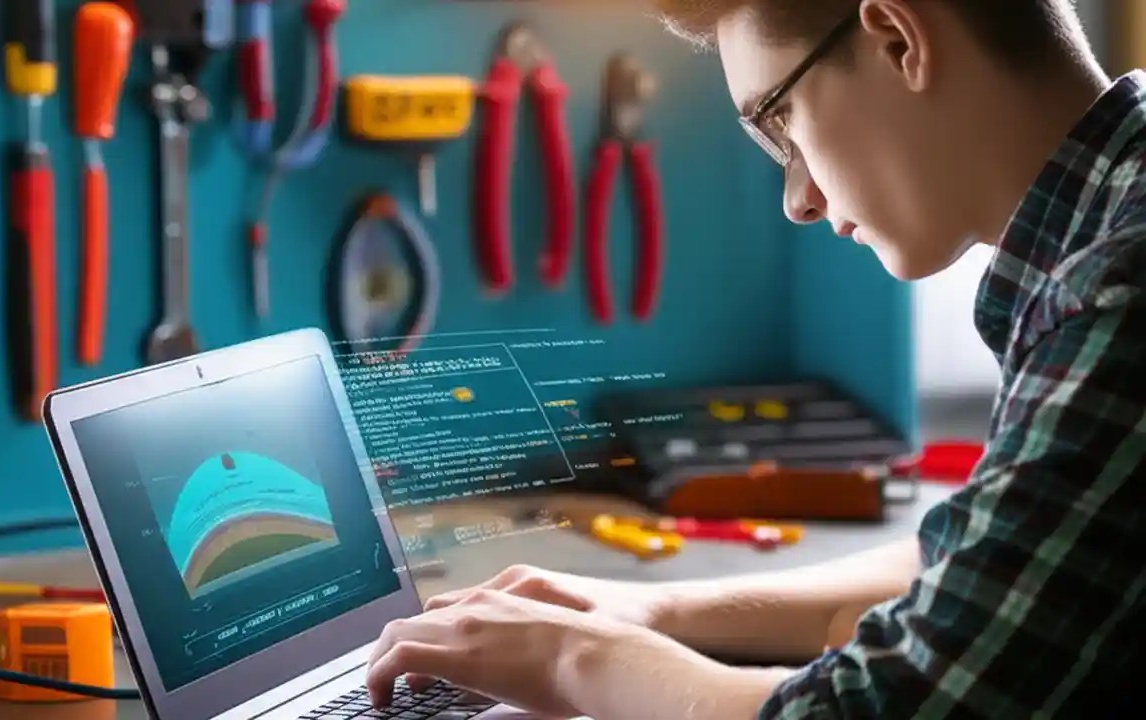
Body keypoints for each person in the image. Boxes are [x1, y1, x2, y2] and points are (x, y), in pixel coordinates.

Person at [365, 0, 1146, 717]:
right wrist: (652, 611)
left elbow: (900, 704)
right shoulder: (1102, 231)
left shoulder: (1115, 294)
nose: (796, 198)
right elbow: (978, 561)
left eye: (779, 122)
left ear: (897, 40)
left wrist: (573, 658)